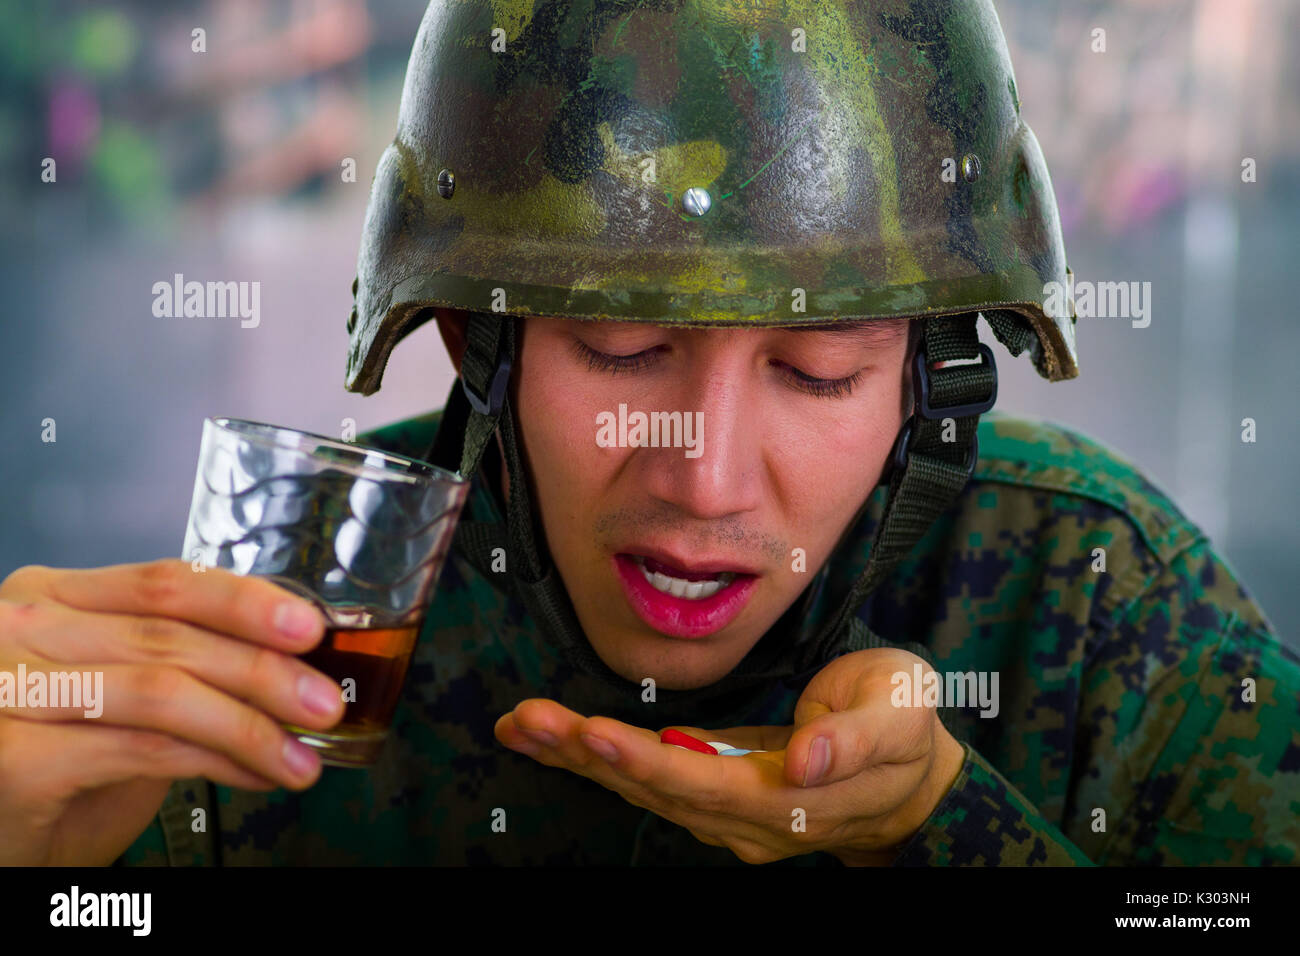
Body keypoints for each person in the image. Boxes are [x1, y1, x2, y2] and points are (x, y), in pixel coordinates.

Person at [2, 0, 1296, 866]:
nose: (707, 477)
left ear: (931, 377)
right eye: (622, 350)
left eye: (819, 370)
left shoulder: (1094, 592)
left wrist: (943, 832)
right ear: (473, 341)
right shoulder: (318, 611)